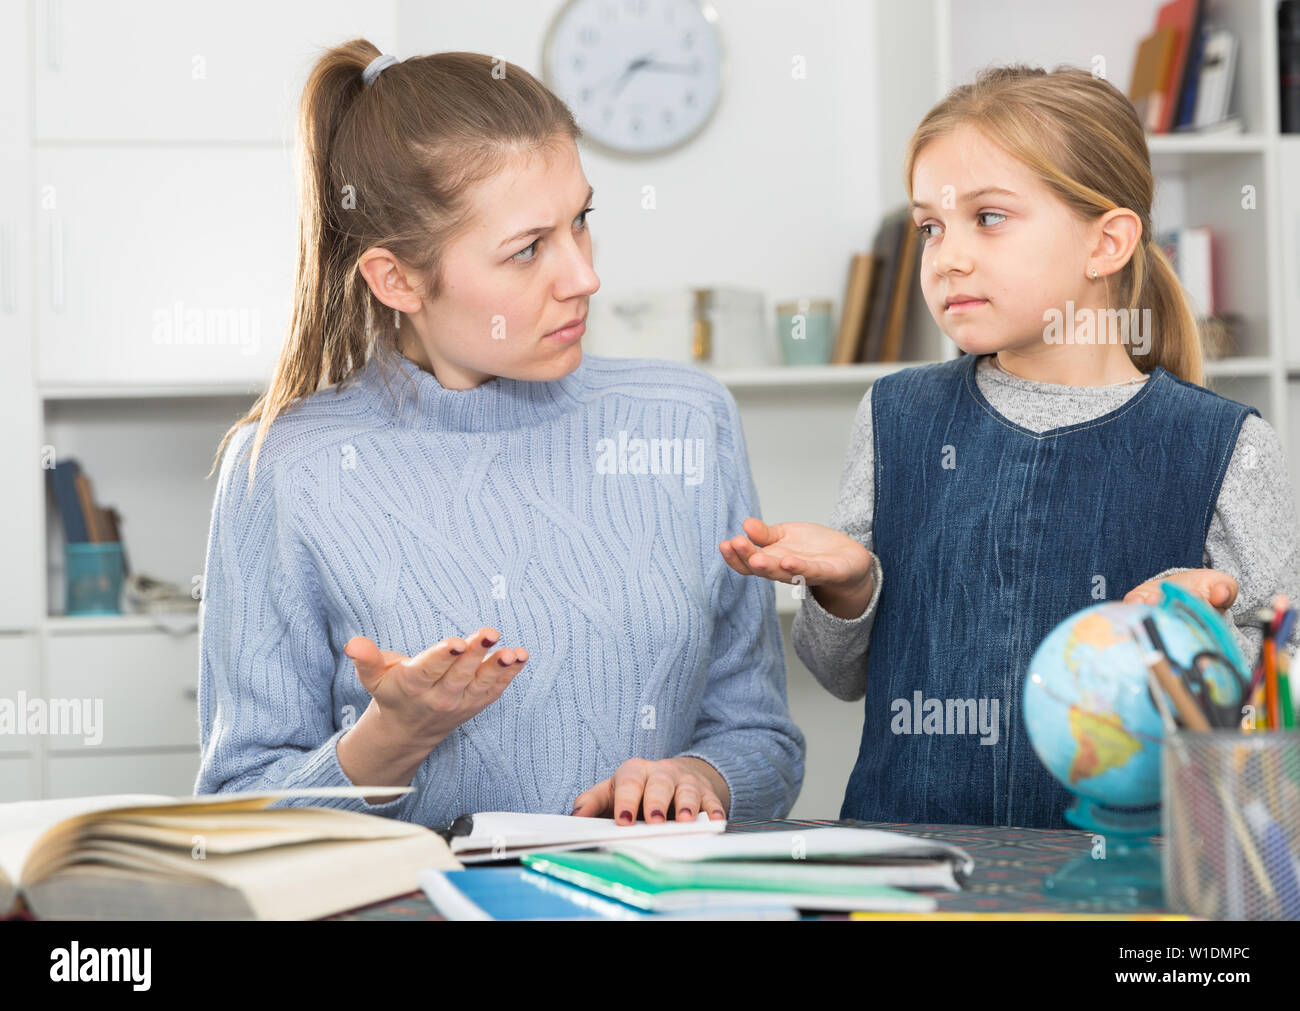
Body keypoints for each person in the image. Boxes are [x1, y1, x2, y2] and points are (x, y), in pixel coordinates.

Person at [195, 41, 804, 828]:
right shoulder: (283, 469)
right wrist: (391, 738)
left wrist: (699, 776)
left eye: (581, 222)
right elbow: (237, 810)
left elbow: (762, 739)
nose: (583, 275)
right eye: (527, 250)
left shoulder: (688, 420)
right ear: (398, 280)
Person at [719, 65, 1300, 828]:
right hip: (909, 870)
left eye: (988, 218)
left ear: (1108, 241)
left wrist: (1205, 638)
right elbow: (841, 674)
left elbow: (1279, 709)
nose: (947, 256)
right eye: (931, 226)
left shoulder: (1228, 447)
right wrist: (848, 588)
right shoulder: (896, 415)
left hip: (1132, 891)